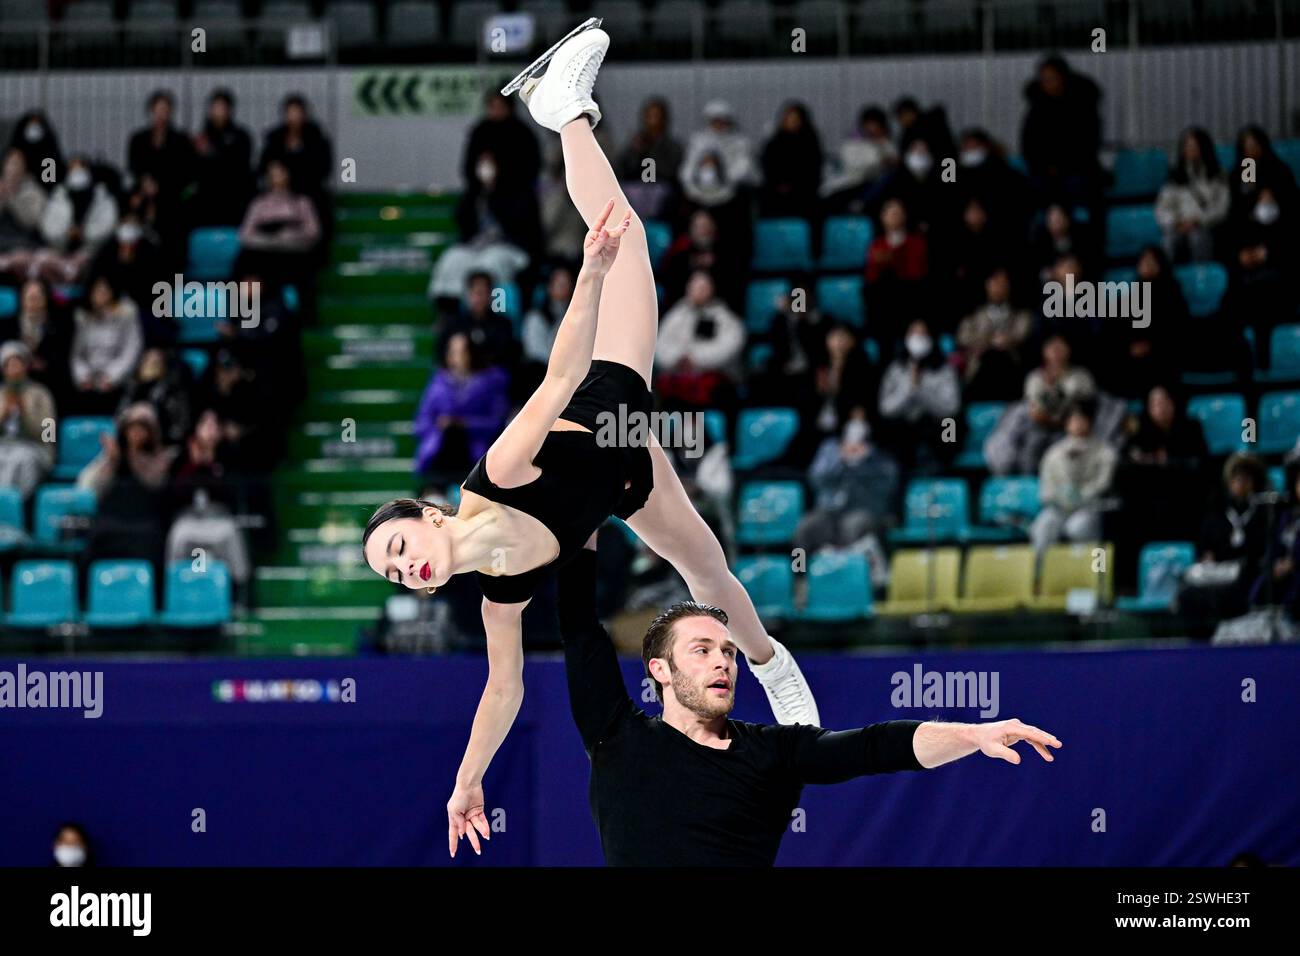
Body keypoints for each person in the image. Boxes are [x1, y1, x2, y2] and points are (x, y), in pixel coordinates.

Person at [362, 27, 821, 841]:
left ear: (429, 516)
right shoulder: (500, 600)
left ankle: (563, 108)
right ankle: (770, 660)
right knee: (706, 568)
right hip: (627, 479)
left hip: (609, 400)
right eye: (397, 577)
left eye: (398, 548)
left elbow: (561, 379)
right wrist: (466, 783)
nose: (407, 571)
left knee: (625, 234)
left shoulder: (498, 470)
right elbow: (502, 695)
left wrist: (593, 274)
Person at [471, 532, 1063, 864]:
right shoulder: (616, 736)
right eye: (702, 650)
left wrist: (974, 734)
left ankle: (775, 664)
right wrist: (581, 513)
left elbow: (876, 747)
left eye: (727, 652)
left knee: (800, 711)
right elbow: (579, 624)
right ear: (659, 669)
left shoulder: (771, 753)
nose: (721, 662)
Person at [412, 333, 510, 489]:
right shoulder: (438, 383)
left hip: (474, 454)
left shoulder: (493, 381)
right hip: (440, 453)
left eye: (462, 351)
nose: (456, 356)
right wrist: (439, 426)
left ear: (473, 353)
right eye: (452, 351)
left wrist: (464, 424)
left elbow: (497, 423)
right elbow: (421, 422)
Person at [1029, 401, 1117, 558]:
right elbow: (1046, 488)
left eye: (1082, 419)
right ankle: (1040, 576)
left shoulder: (1105, 451)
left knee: (1079, 527)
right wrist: (1061, 498)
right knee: (1043, 525)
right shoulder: (1053, 453)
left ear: (1090, 422)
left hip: (1090, 506)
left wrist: (1081, 496)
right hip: (1058, 507)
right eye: (1073, 419)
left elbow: (1103, 483)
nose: (1078, 424)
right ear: (1066, 423)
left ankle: (1096, 574)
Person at [654, 270, 745, 417]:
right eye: (695, 286)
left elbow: (729, 347)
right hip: (678, 376)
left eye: (703, 287)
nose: (698, 291)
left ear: (712, 288)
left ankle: (714, 438)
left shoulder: (724, 317)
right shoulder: (676, 315)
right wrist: (679, 358)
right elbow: (660, 346)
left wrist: (695, 359)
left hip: (713, 380)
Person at [877, 318, 960, 471]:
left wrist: (921, 391)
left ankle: (944, 471)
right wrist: (909, 390)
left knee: (951, 426)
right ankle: (901, 475)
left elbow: (951, 408)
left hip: (935, 425)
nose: (918, 338)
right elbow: (885, 409)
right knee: (887, 428)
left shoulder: (944, 369)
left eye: (923, 334)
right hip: (905, 424)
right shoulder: (895, 369)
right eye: (914, 333)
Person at [955, 266, 1033, 401]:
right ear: (986, 286)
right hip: (978, 372)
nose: (998, 287)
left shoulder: (1021, 315)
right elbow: (963, 337)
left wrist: (1006, 341)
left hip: (1011, 371)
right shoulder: (973, 316)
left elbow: (1022, 335)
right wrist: (991, 341)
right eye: (994, 283)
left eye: (1003, 283)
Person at [70, 274, 143, 415]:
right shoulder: (81, 317)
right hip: (87, 381)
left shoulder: (127, 314)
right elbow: (75, 354)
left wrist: (111, 377)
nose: (101, 295)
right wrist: (83, 376)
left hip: (117, 380)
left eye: (104, 290)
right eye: (97, 290)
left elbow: (130, 350)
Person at [1155, 127, 1229, 263]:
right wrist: (1176, 222)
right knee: (1168, 240)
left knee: (1197, 238)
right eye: (1187, 146)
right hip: (1178, 227)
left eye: (1194, 146)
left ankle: (1201, 277)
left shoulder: (1218, 176)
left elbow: (1221, 208)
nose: (1190, 150)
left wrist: (1197, 221)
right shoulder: (1174, 178)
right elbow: (1162, 208)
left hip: (1206, 227)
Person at [0, 340, 57, 498]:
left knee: (20, 459)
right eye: (9, 366)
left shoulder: (41, 394)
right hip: (4, 445)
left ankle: (15, 506)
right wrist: (3, 414)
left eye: (17, 364)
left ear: (26, 367)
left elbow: (49, 435)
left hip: (35, 449)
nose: (13, 370)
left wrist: (25, 412)